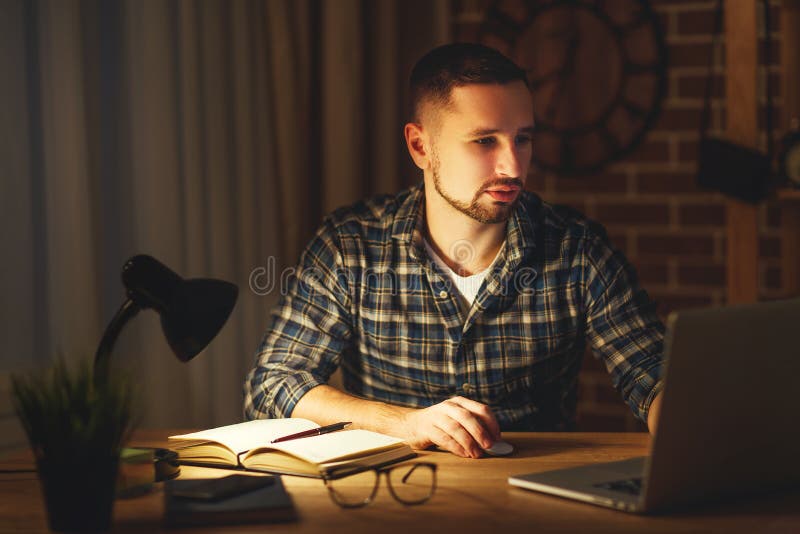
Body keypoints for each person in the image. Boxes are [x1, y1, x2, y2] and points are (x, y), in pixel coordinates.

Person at [244, 43, 664, 459]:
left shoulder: (579, 249)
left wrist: (683, 423)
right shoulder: (350, 245)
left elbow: (653, 373)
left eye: (522, 139)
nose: (513, 167)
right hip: (390, 495)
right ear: (420, 147)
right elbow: (273, 386)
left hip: (535, 497)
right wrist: (405, 423)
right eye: (485, 141)